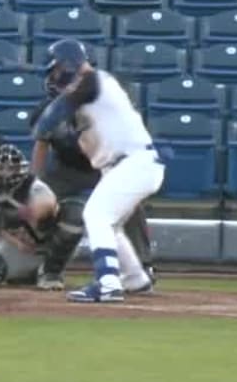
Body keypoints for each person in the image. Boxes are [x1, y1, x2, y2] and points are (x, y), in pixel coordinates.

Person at [33, 39, 162, 302]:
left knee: (95, 215)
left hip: (134, 163)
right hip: (123, 167)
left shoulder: (95, 80)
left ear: (70, 64)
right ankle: (135, 278)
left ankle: (107, 283)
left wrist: (49, 114)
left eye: (57, 69)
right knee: (110, 226)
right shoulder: (82, 99)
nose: (55, 76)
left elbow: (52, 116)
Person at [0, 145, 64, 288]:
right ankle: (27, 273)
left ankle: (51, 270)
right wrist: (16, 242)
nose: (5, 173)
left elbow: (47, 207)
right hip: (20, 247)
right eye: (0, 168)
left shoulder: (36, 187)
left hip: (47, 245)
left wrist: (19, 212)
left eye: (10, 169)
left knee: (71, 217)